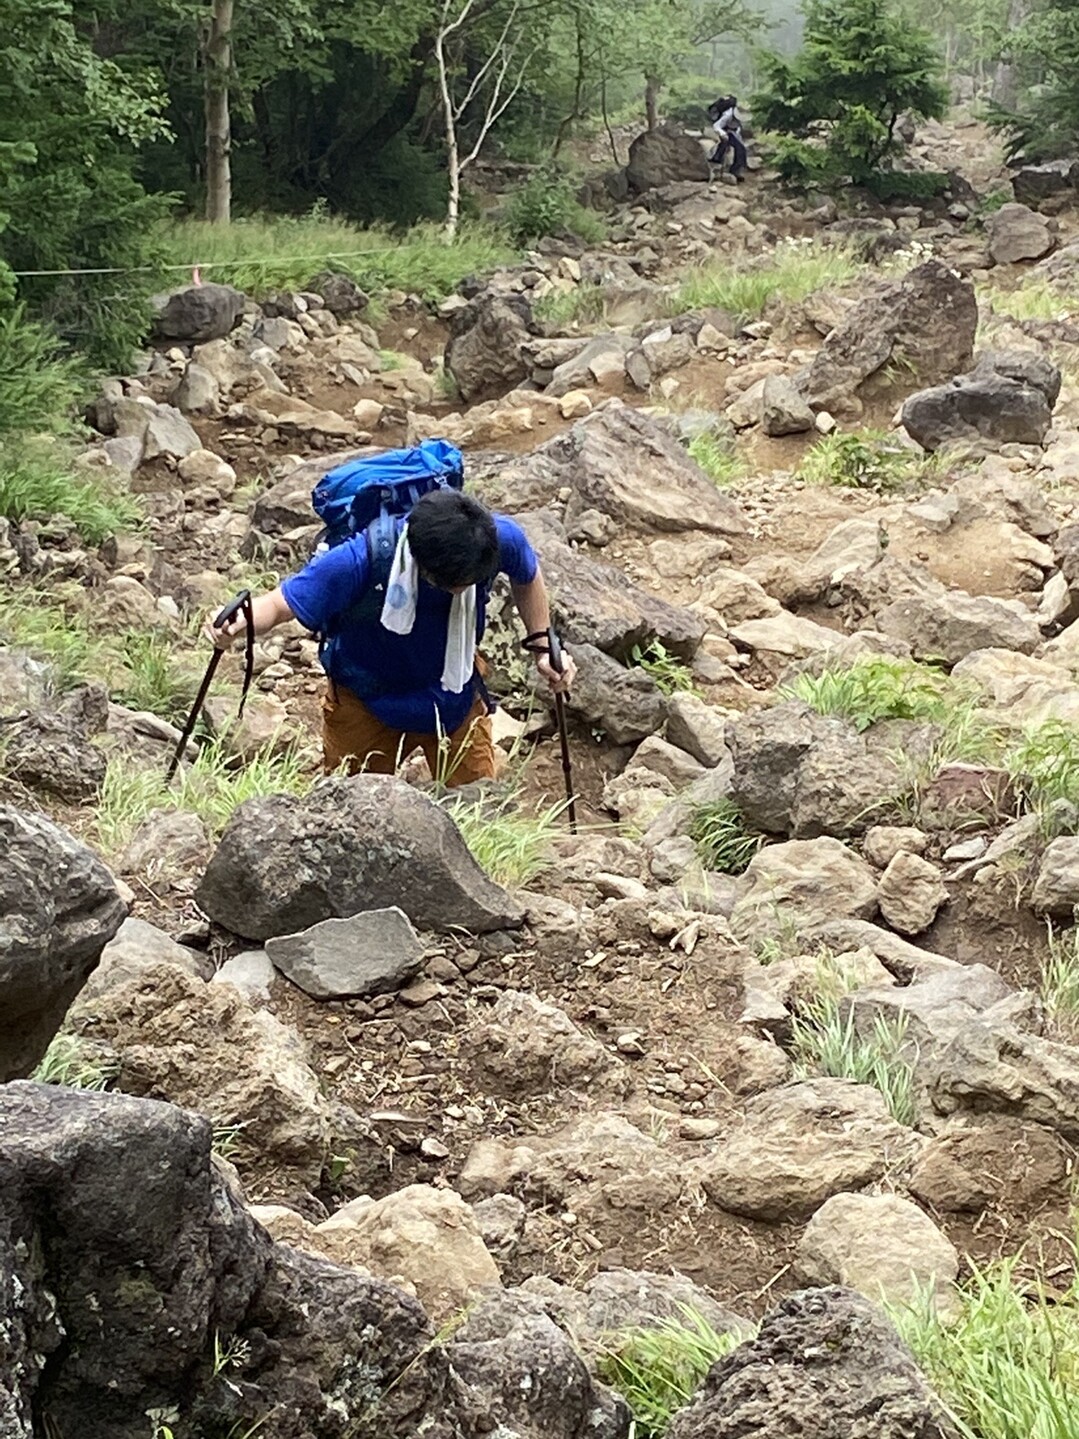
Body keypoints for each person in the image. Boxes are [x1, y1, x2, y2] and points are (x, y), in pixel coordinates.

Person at [206, 489, 577, 786]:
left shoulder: (495, 540)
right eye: (453, 584)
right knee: (348, 814)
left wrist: (543, 644)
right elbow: (279, 604)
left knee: (475, 805)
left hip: (454, 690)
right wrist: (239, 622)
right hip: (365, 698)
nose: (461, 591)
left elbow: (527, 575)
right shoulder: (357, 562)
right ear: (419, 561)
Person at [708, 95, 747, 182]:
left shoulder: (738, 119)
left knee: (741, 147)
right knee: (727, 143)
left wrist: (737, 136)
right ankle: (717, 161)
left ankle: (735, 169)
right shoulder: (728, 114)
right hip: (723, 129)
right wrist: (723, 134)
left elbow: (738, 128)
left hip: (732, 130)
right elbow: (716, 126)